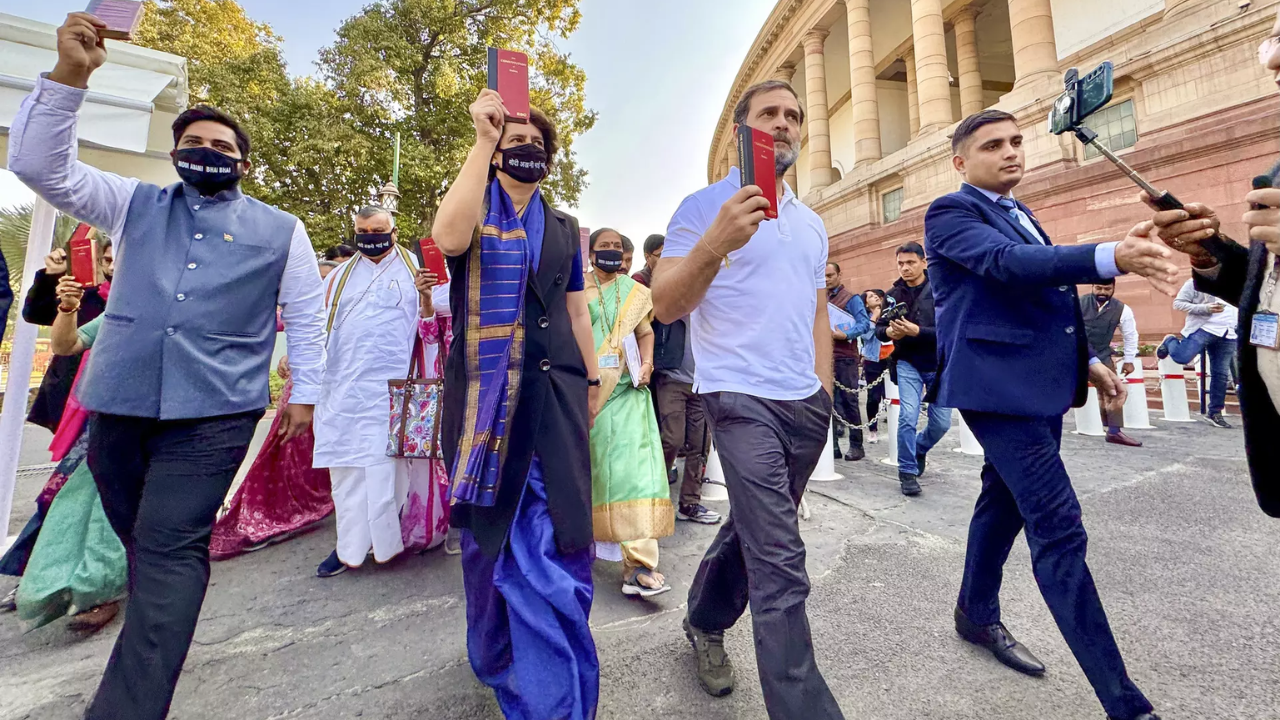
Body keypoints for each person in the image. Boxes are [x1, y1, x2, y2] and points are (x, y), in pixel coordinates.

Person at [8, 14, 328, 719]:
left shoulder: (282, 229)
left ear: (243, 163)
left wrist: (304, 393)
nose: (207, 152)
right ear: (177, 153)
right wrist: (70, 79)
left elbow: (305, 314)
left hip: (214, 413)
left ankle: (124, 708)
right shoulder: (132, 202)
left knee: (171, 550)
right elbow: (38, 166)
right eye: (194, 143)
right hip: (117, 405)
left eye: (221, 146)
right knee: (146, 544)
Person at [925, 109, 1178, 720]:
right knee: (1059, 527)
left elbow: (1043, 303)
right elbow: (1008, 267)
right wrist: (1110, 254)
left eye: (1017, 142)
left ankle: (975, 614)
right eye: (993, 146)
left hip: (1038, 387)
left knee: (1001, 502)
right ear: (961, 162)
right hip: (994, 391)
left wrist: (1086, 360)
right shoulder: (950, 213)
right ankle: (1126, 704)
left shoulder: (1024, 213)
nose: (1012, 152)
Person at [653, 79, 843, 719]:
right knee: (781, 560)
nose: (783, 124)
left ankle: (705, 620)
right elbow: (665, 304)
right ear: (742, 130)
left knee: (757, 530)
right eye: (768, 114)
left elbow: (817, 308)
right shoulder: (702, 205)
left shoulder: (812, 223)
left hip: (804, 405)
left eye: (793, 115)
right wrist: (716, 242)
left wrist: (822, 388)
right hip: (736, 398)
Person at [431, 88, 600, 719]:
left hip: (555, 395)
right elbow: (447, 239)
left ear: (549, 159)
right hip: (483, 399)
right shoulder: (474, 205)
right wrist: (481, 140)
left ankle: (553, 693)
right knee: (490, 538)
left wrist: (590, 379)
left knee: (555, 534)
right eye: (512, 142)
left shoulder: (564, 227)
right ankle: (494, 648)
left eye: (535, 144)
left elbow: (576, 310)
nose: (524, 151)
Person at [1143, 8, 1280, 516]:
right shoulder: (1277, 172)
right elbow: (1265, 285)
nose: (1274, 60)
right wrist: (1209, 251)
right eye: (1271, 40)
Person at [312, 205, 437, 576]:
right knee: (347, 473)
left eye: (378, 230)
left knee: (388, 473)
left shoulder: (419, 270)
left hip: (395, 389)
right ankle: (347, 548)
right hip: (344, 391)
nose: (371, 237)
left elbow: (435, 330)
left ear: (394, 231)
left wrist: (426, 297)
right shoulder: (336, 280)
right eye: (363, 232)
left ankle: (386, 544)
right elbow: (317, 327)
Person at [0, 276, 126, 631]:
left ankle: (101, 589)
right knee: (74, 504)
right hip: (109, 420)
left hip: (176, 426)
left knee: (118, 513)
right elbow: (66, 343)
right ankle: (62, 585)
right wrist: (68, 309)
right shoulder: (121, 308)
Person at [583, 228, 675, 597]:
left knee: (637, 475)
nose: (610, 252)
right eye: (603, 247)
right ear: (590, 254)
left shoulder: (633, 293)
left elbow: (645, 333)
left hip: (628, 394)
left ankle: (639, 565)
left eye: (616, 248)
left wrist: (647, 364)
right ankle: (583, 546)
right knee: (593, 473)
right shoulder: (576, 291)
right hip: (588, 396)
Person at [649, 231, 721, 525]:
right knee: (672, 439)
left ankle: (690, 504)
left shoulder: (711, 297)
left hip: (702, 382)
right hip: (673, 379)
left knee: (699, 447)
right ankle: (654, 498)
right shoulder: (672, 292)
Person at [876, 242, 949, 495]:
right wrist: (888, 331)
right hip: (907, 362)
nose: (905, 268)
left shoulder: (941, 288)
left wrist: (918, 331)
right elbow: (879, 330)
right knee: (907, 417)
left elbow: (950, 329)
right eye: (900, 263)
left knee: (942, 423)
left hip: (938, 363)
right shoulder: (893, 294)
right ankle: (907, 471)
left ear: (923, 261)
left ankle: (918, 448)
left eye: (910, 262)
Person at [22, 236, 113, 432]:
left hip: (116, 402)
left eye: (119, 260)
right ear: (100, 261)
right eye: (108, 260)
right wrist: (51, 276)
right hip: (69, 395)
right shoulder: (83, 293)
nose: (113, 267)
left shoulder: (146, 299)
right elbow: (35, 314)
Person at [1156, 278, 1239, 428]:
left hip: (1229, 333)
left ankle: (1214, 412)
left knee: (1220, 374)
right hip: (1204, 329)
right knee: (1182, 357)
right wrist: (1205, 308)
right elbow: (1178, 303)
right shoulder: (1196, 282)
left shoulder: (1238, 282)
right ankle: (1170, 340)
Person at [415, 274, 459, 554]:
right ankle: (456, 523)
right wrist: (427, 299)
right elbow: (429, 335)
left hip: (491, 380)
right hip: (450, 384)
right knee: (450, 454)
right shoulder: (442, 286)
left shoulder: (494, 274)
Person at [1080, 279, 1144, 446]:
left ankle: (1113, 431)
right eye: (1098, 287)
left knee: (1113, 390)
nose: (1102, 292)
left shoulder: (1122, 309)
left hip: (1101, 355)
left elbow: (1130, 335)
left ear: (1114, 288)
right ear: (1092, 287)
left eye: (1107, 289)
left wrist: (1129, 360)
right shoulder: (1078, 303)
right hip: (1073, 353)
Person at [825, 262, 871, 461]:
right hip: (825, 356)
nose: (826, 279)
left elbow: (864, 324)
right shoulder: (820, 297)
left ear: (839, 275)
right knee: (827, 402)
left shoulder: (851, 299)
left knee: (849, 401)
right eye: (824, 276)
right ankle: (832, 445)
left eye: (830, 275)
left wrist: (846, 335)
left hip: (845, 357)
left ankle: (856, 445)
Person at [858, 289, 892, 444]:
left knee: (891, 396)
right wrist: (874, 318)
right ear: (866, 303)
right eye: (870, 296)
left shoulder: (889, 310)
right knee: (873, 397)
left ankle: (895, 426)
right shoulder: (864, 318)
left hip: (892, 357)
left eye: (876, 295)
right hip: (874, 359)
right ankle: (872, 430)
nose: (875, 297)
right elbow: (865, 336)